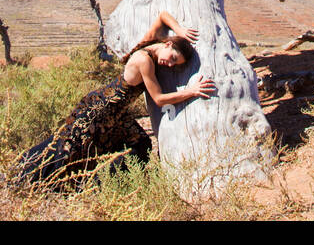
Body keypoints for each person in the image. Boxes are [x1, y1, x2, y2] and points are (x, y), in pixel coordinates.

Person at [12, 10, 216, 188]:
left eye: (175, 64)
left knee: (141, 144)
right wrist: (192, 91)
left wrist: (179, 30)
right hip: (99, 110)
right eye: (172, 58)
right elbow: (160, 99)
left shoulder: (154, 40)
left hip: (116, 113)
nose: (169, 64)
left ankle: (110, 182)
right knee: (69, 151)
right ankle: (23, 175)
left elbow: (163, 15)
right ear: (168, 44)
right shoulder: (145, 61)